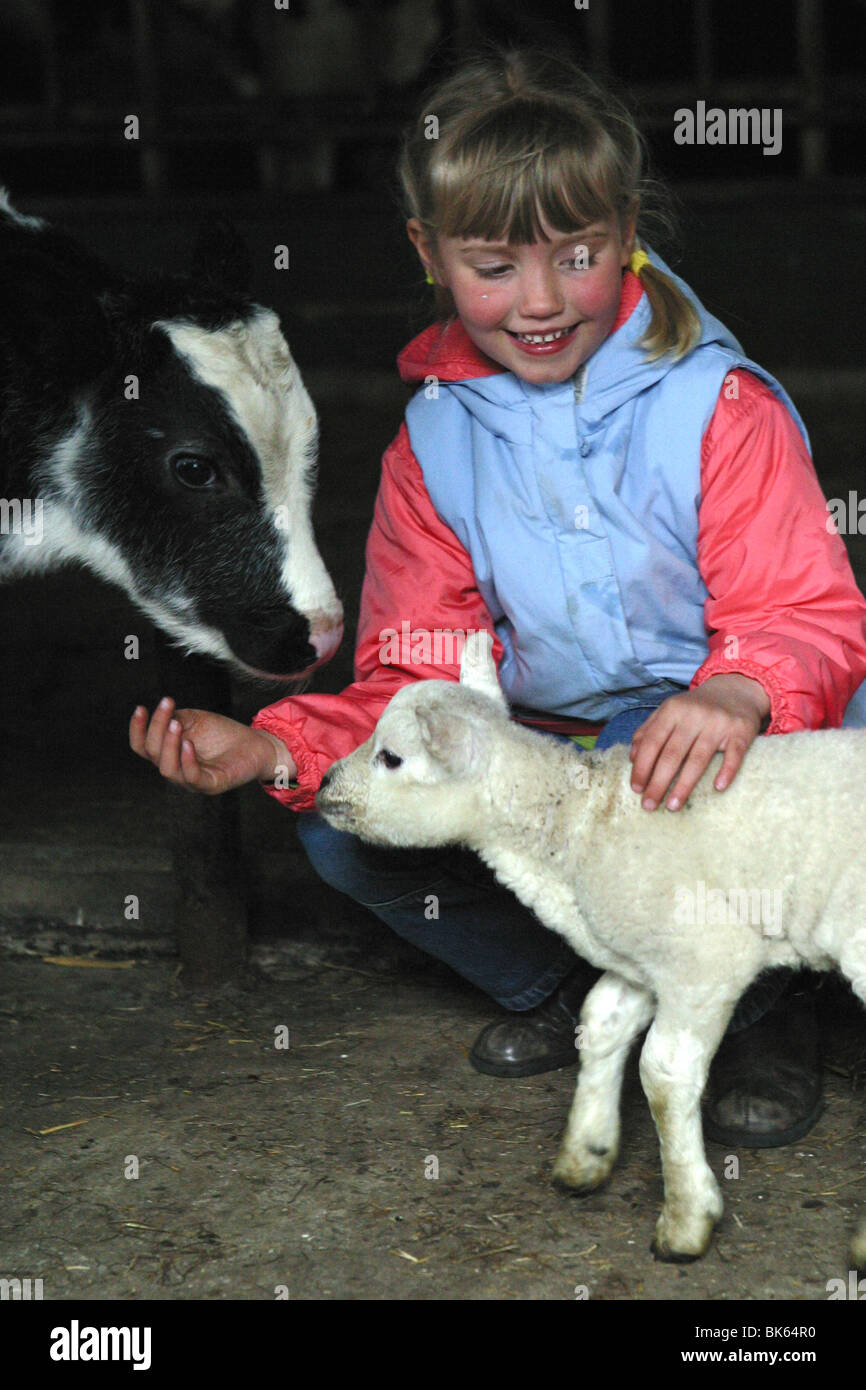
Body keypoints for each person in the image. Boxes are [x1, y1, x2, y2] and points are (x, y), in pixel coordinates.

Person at [130, 48, 866, 1150]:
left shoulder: (716, 406)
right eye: (491, 264)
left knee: (739, 768)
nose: (537, 301)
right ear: (427, 252)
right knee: (349, 834)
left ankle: (762, 1007)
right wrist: (279, 750)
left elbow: (802, 611)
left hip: (738, 739)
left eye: (575, 255)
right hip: (562, 750)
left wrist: (737, 687)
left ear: (625, 229)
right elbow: (419, 677)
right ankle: (574, 994)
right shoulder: (432, 445)